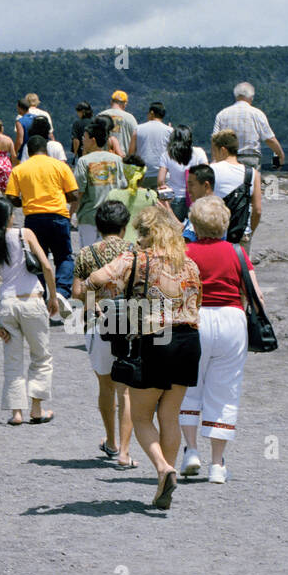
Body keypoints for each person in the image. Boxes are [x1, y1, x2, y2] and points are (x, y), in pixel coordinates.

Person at [86, 205, 202, 511]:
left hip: (153, 340)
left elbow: (96, 278)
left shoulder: (136, 257)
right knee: (170, 415)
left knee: (140, 417)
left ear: (145, 232)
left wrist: (90, 297)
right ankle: (166, 476)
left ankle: (163, 469)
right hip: (189, 342)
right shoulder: (188, 261)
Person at [179, 195, 266, 484]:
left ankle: (191, 450)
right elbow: (257, 297)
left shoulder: (184, 251)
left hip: (195, 319)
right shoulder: (237, 253)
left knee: (189, 387)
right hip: (231, 320)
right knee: (225, 390)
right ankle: (217, 465)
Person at [0, 195, 60, 425]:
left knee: (13, 359)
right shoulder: (25, 234)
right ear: (8, 216)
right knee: (41, 356)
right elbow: (46, 266)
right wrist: (53, 295)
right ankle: (36, 410)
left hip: (7, 305)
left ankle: (16, 413)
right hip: (31, 301)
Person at [71, 199, 136, 467]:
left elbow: (76, 293)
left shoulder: (86, 254)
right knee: (127, 390)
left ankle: (111, 441)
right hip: (130, 325)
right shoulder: (136, 252)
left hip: (98, 324)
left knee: (105, 385)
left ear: (98, 226)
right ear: (124, 227)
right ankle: (124, 452)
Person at [4, 133, 79, 303]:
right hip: (58, 215)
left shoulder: (19, 170)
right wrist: (59, 196)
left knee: (37, 258)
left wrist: (24, 200)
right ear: (46, 150)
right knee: (64, 256)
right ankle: (61, 292)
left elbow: (10, 197)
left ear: (29, 152)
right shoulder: (60, 166)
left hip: (33, 219)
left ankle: (42, 295)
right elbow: (74, 194)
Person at [73, 119, 126, 249]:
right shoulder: (117, 160)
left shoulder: (83, 161)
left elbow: (78, 191)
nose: (82, 140)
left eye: (84, 137)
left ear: (93, 140)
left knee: (88, 254)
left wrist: (72, 213)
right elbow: (123, 185)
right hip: (112, 217)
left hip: (89, 216)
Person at [213, 82, 285, 170]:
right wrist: (281, 155)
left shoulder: (222, 114)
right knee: (251, 182)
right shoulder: (257, 114)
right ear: (251, 97)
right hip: (251, 160)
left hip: (228, 159)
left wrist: (215, 160)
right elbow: (270, 139)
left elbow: (215, 140)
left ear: (236, 96)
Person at [210, 129, 261, 245]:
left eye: (214, 151)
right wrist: (249, 232)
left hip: (216, 234)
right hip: (241, 234)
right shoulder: (252, 173)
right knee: (241, 263)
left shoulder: (211, 169)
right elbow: (257, 210)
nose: (213, 155)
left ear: (223, 150)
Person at [157, 124, 208, 221]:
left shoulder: (167, 155)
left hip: (174, 197)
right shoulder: (199, 152)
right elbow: (206, 172)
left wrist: (165, 187)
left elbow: (160, 180)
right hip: (194, 197)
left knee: (174, 228)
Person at [105, 155, 158, 245]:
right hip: (143, 245)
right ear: (142, 175)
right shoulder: (151, 195)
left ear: (125, 173)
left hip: (118, 244)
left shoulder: (113, 194)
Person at [135, 103, 171, 178]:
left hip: (142, 175)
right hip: (162, 175)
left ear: (152, 113)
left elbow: (131, 153)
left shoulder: (138, 129)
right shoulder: (170, 131)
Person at [97, 91, 137, 158]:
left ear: (111, 102)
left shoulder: (100, 116)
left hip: (103, 159)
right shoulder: (129, 118)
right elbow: (136, 138)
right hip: (123, 159)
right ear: (125, 104)